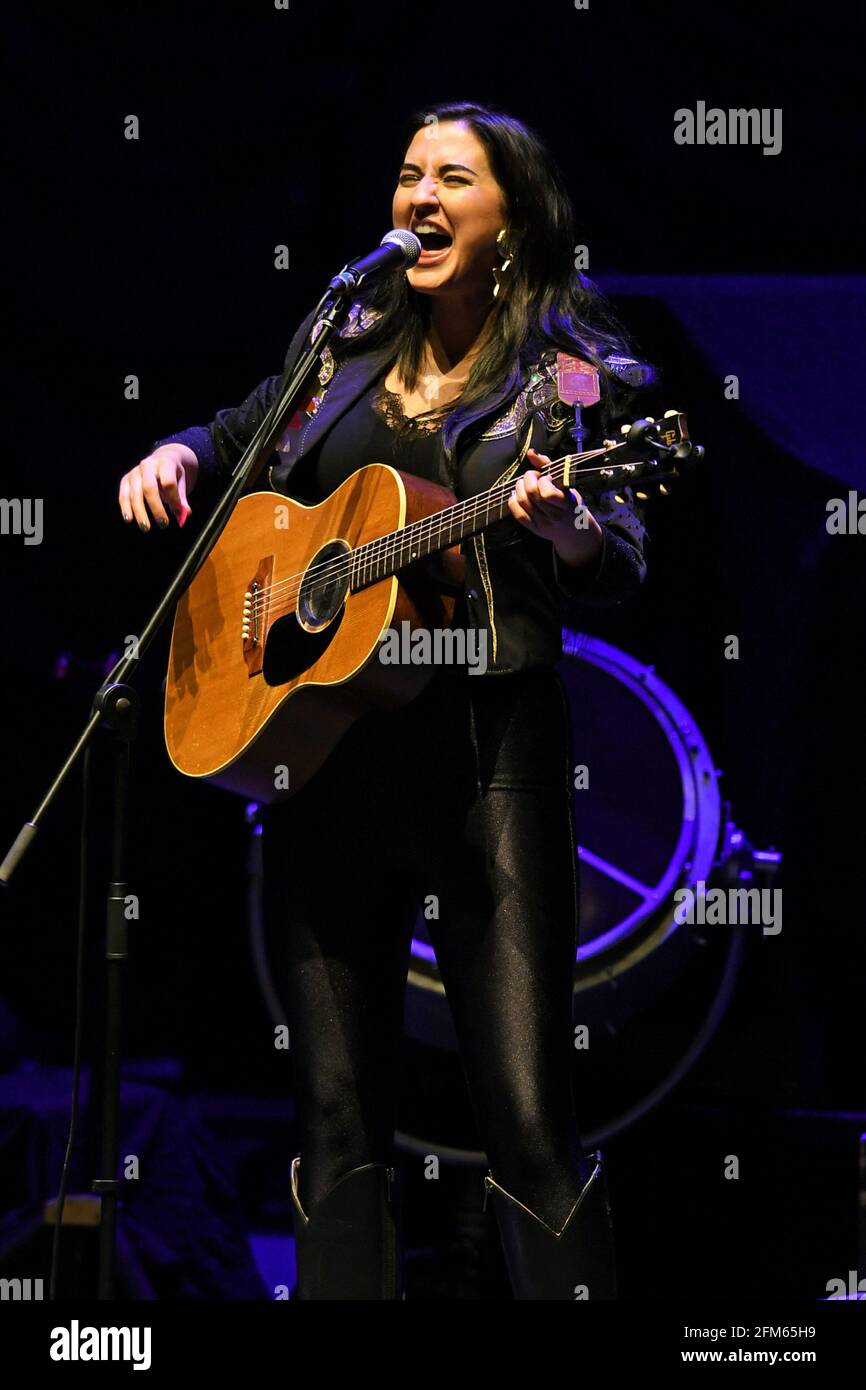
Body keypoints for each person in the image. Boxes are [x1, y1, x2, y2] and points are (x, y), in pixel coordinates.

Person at [118, 101, 656, 1300]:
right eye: (407, 173)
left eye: (451, 178)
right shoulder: (350, 335)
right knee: (331, 1115)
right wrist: (180, 454)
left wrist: (568, 529)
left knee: (523, 1115)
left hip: (487, 758)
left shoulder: (565, 374)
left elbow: (617, 563)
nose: (418, 195)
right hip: (327, 768)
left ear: (507, 218)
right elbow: (236, 433)